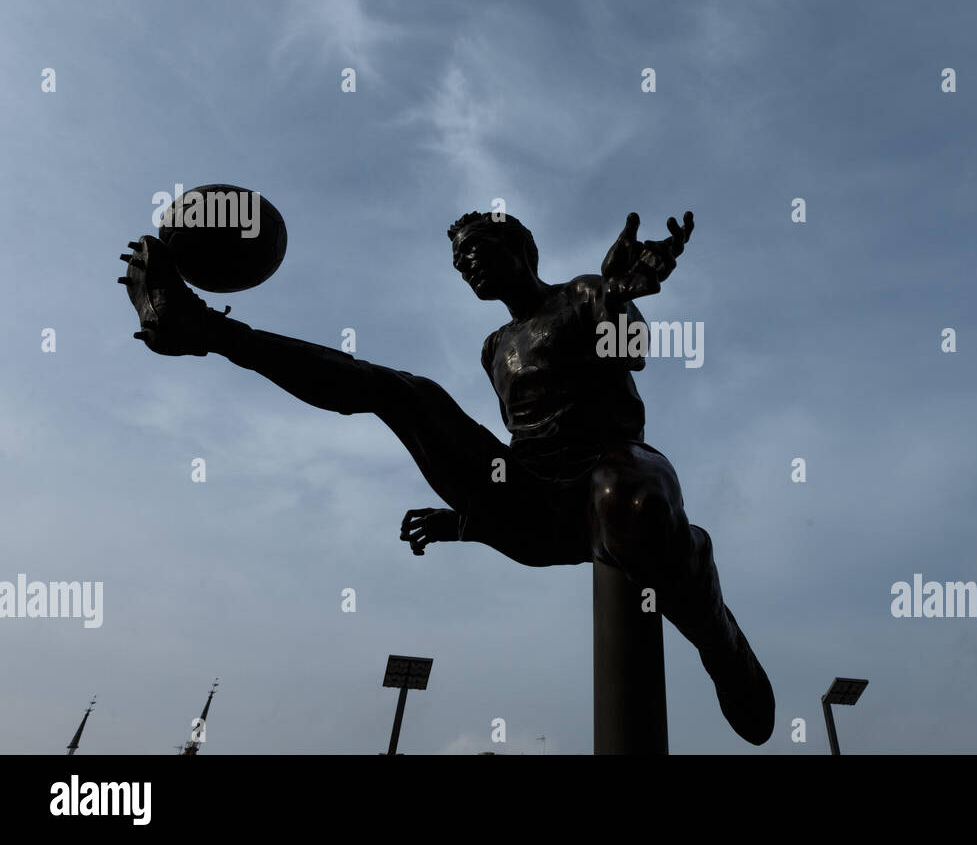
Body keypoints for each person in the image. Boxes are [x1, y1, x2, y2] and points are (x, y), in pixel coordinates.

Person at [120, 209, 775, 745]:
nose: (467, 266)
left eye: (477, 249)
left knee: (623, 496)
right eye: (458, 261)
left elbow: (630, 351)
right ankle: (206, 328)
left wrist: (618, 294)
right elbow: (519, 451)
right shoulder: (495, 348)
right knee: (403, 390)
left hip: (615, 471)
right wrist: (469, 518)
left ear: (518, 248)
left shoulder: (582, 295)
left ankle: (716, 632)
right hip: (537, 496)